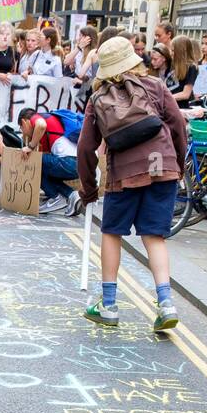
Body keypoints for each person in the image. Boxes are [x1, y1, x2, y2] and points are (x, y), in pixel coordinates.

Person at [76, 35, 185, 333]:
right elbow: (178, 126)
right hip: (161, 166)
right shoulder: (156, 87)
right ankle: (166, 304)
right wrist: (179, 165)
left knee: (112, 233)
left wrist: (87, 190)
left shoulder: (97, 99)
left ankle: (108, 305)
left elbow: (86, 148)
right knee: (154, 236)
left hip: (122, 175)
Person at [18, 108, 78, 216]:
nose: (23, 132)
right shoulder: (50, 127)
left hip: (71, 162)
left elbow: (40, 125)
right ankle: (71, 194)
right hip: (79, 165)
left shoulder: (37, 118)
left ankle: (56, 197)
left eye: (21, 128)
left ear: (24, 122)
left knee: (32, 161)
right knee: (44, 169)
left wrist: (30, 146)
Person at [169, 34, 198, 108]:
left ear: (180, 51)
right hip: (172, 104)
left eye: (173, 50)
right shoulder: (173, 65)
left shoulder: (191, 67)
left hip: (184, 106)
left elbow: (186, 94)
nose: (171, 53)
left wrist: (167, 98)